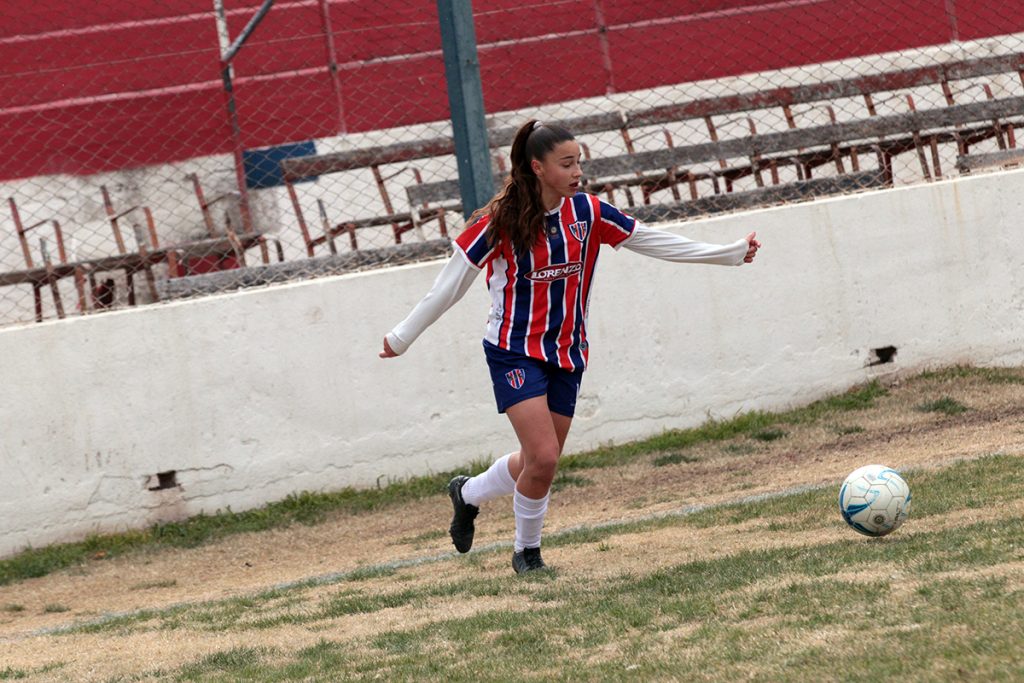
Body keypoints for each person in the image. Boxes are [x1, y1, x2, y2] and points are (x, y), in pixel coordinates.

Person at [380, 119, 760, 574]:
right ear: (537, 168)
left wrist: (728, 253)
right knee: (543, 458)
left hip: (567, 351)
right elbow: (449, 286)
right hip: (513, 351)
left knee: (538, 461)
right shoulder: (497, 223)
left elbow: (652, 241)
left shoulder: (589, 213)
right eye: (566, 163)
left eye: (579, 161)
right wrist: (401, 337)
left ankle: (467, 493)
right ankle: (527, 554)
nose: (577, 171)